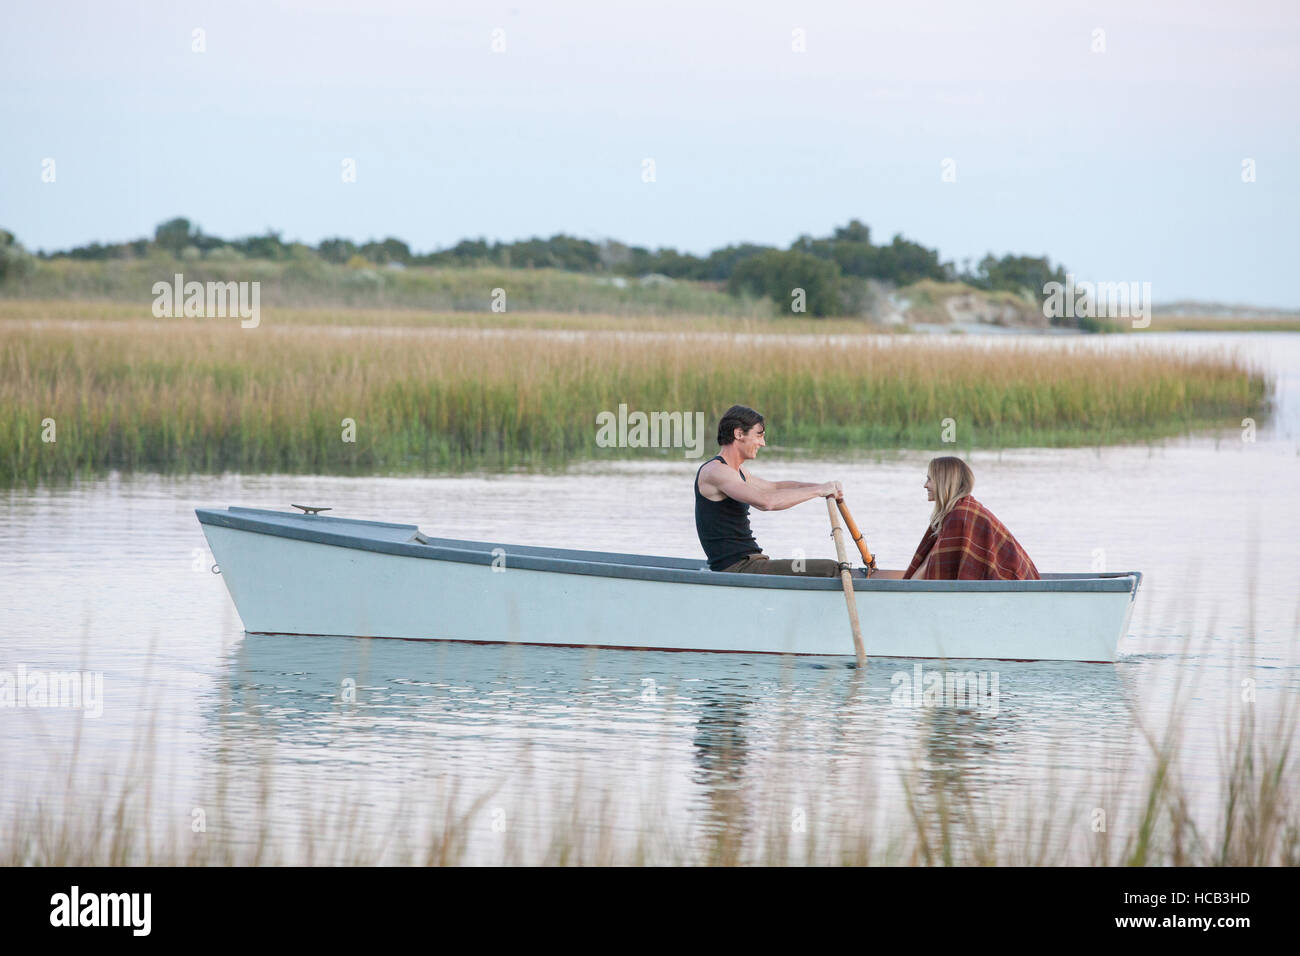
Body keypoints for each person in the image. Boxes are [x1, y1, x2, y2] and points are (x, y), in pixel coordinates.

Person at [695, 405, 853, 576]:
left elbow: (775, 487)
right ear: (739, 434)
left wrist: (822, 486)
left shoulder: (739, 473)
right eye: (759, 435)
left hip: (752, 562)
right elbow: (766, 502)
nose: (763, 443)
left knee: (831, 568)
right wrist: (819, 491)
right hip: (737, 568)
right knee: (830, 569)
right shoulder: (716, 472)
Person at [903, 456, 1039, 580]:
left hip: (1014, 583)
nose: (925, 485)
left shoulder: (960, 515)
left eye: (930, 479)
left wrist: (906, 592)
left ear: (943, 481)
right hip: (1019, 581)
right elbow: (931, 561)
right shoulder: (960, 509)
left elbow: (931, 568)